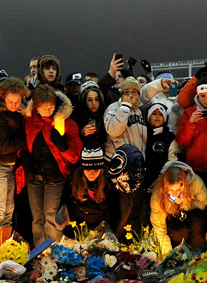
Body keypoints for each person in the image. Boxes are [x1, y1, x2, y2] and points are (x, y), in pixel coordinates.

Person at [23, 85, 81, 245]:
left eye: (51, 107)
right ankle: (39, 252)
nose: (47, 111)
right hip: (34, 175)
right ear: (36, 107)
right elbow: (24, 144)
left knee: (51, 216)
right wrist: (26, 163)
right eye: (43, 108)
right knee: (36, 216)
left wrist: (63, 146)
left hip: (55, 175)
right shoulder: (29, 120)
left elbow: (75, 155)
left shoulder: (64, 122)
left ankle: (54, 251)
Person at [0, 77, 30, 253]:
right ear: (3, 98)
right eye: (11, 101)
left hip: (12, 164)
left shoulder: (20, 112)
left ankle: (6, 252)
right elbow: (3, 146)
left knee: (8, 211)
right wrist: (26, 136)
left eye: (18, 101)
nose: (14, 104)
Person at [104, 77, 149, 230]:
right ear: (121, 94)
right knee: (122, 212)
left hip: (136, 167)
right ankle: (117, 244)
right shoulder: (113, 108)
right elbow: (113, 130)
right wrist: (124, 108)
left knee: (136, 210)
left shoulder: (139, 111)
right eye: (127, 92)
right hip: (119, 167)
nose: (131, 95)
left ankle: (133, 246)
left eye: (135, 92)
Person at [149, 162, 207, 255]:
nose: (174, 193)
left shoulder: (195, 182)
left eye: (177, 189)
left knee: (197, 222)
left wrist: (185, 203)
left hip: (193, 214)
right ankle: (180, 253)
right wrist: (168, 254)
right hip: (173, 219)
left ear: (183, 184)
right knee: (179, 232)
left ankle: (198, 253)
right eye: (171, 190)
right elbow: (159, 225)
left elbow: (205, 203)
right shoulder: (158, 193)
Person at [62, 146, 110, 234]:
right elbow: (66, 202)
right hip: (79, 231)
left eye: (96, 169)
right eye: (88, 168)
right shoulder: (73, 182)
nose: (92, 172)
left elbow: (111, 213)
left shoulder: (108, 184)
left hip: (101, 231)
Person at [143, 104, 178, 187]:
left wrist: (161, 178)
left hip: (163, 180)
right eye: (154, 114)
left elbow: (173, 160)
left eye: (161, 114)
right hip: (143, 179)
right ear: (148, 117)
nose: (157, 117)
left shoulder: (170, 136)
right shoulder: (142, 134)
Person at [72, 80, 106, 151]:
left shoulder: (106, 115)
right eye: (89, 100)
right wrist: (81, 134)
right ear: (84, 101)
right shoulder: (76, 117)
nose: (94, 103)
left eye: (97, 99)